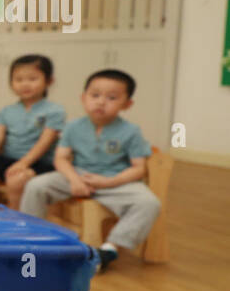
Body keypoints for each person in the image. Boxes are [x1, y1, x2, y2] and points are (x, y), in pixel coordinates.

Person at [20, 69, 160, 273]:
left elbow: (139, 168)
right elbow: (61, 158)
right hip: (76, 175)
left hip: (115, 182)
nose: (101, 102)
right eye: (95, 96)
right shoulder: (73, 126)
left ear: (127, 104)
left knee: (149, 203)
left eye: (112, 98)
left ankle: (110, 249)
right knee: (35, 185)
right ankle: (28, 240)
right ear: (83, 98)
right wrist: (75, 180)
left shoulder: (131, 131)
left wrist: (108, 182)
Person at [0, 54, 65, 209]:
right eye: (18, 79)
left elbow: (45, 142)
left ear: (49, 81)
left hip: (38, 163)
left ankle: (16, 224)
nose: (25, 84)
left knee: (16, 180)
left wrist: (23, 163)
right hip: (9, 160)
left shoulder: (54, 110)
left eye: (32, 79)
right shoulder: (7, 111)